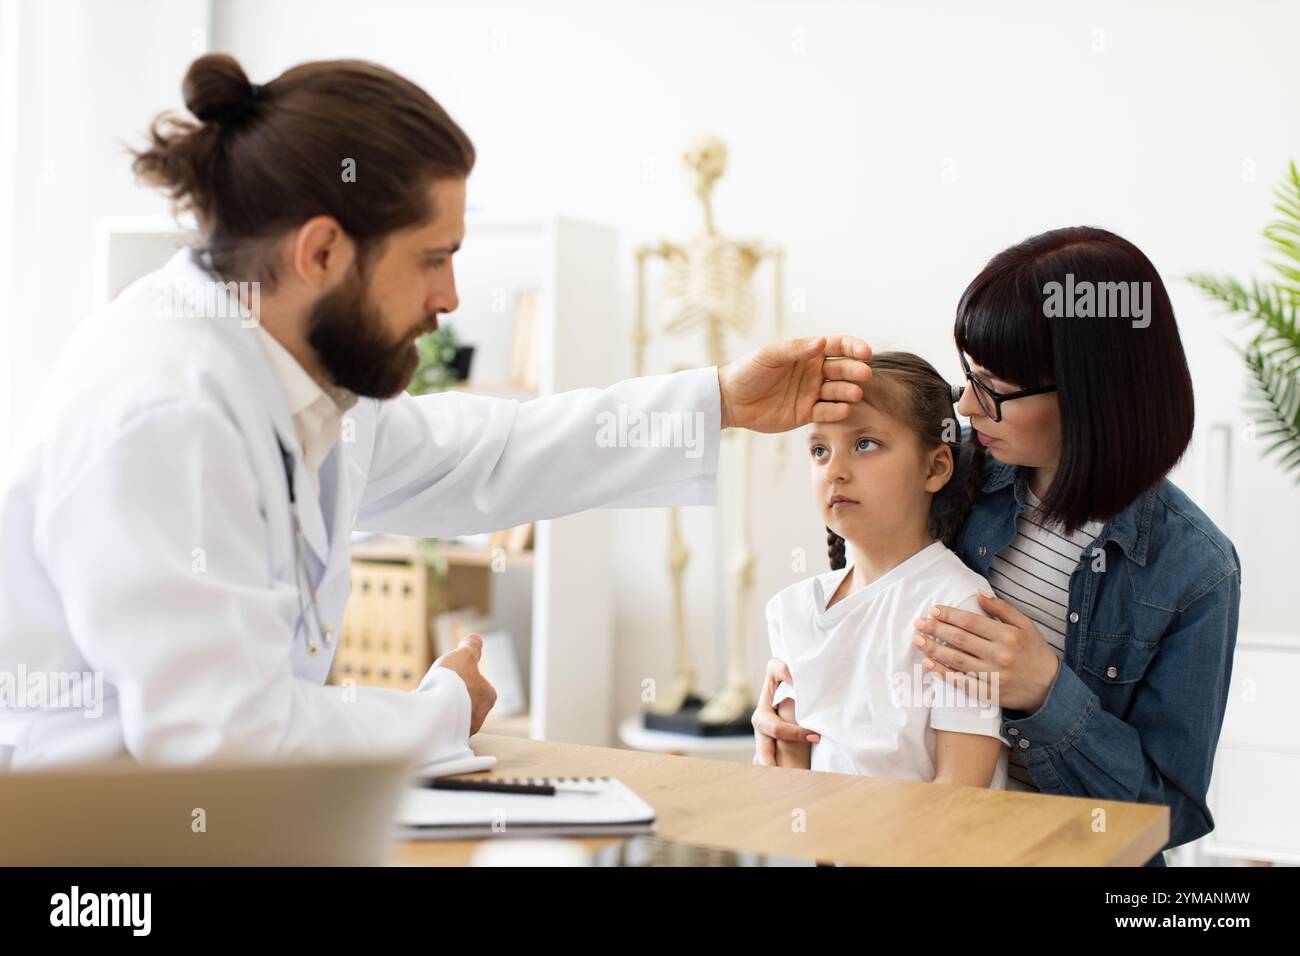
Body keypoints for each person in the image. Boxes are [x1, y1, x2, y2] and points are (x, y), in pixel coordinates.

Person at [0, 53, 873, 770]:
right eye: (433, 259)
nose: (450, 297)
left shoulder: (287, 369)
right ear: (323, 251)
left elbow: (487, 452)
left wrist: (718, 399)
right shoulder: (166, 411)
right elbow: (225, 744)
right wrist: (440, 709)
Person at [753, 227, 1242, 866]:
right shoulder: (953, 460)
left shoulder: (1195, 570)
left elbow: (1169, 815)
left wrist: (1047, 693)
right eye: (967, 376)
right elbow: (866, 599)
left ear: (1091, 397)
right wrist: (798, 697)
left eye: (993, 388)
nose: (964, 404)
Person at [767, 352, 1008, 788]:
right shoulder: (792, 611)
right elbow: (789, 781)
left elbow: (961, 792)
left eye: (865, 444)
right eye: (820, 450)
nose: (835, 471)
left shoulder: (957, 608)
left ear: (935, 467)